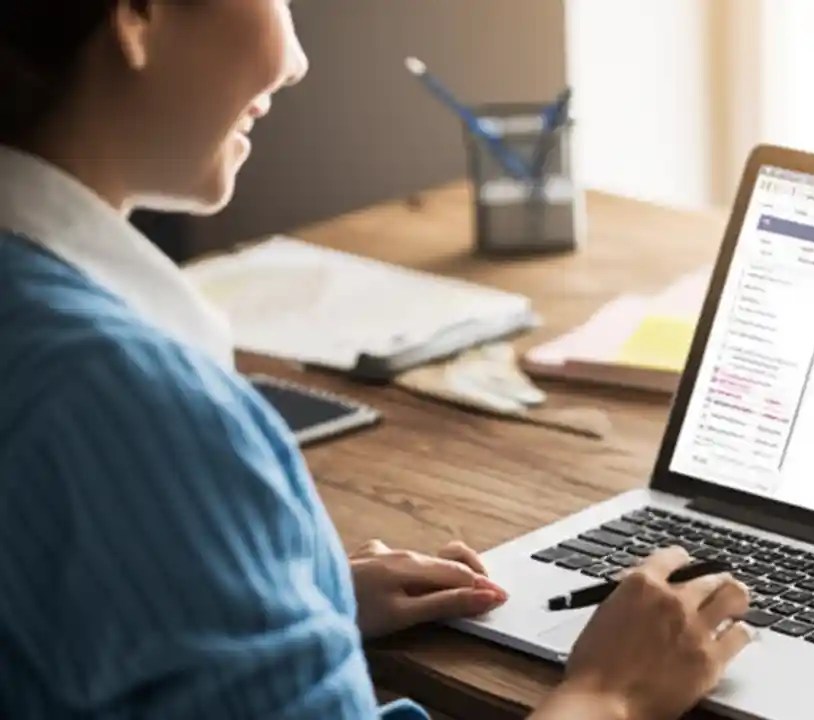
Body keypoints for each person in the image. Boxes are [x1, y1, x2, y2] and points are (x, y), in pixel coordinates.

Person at [0, 2, 752, 718]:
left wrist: (280, 598)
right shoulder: (140, 410)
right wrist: (610, 695)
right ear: (137, 12)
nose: (295, 63)